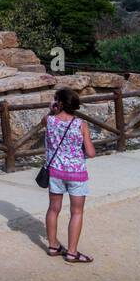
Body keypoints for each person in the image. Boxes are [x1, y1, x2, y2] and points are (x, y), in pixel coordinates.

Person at [44, 87, 97, 264]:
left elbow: (45, 119)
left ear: (58, 103)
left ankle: (53, 246)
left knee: (53, 209)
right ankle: (72, 252)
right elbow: (90, 152)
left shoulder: (50, 121)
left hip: (55, 172)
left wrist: (52, 110)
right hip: (76, 173)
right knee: (76, 212)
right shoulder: (80, 125)